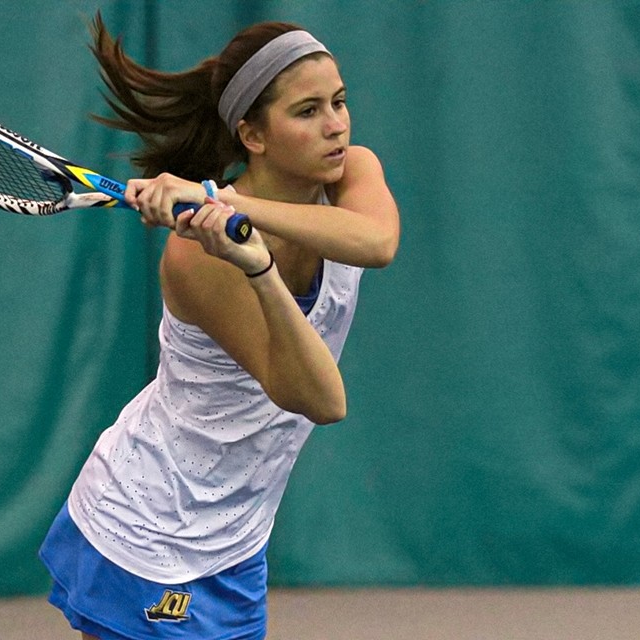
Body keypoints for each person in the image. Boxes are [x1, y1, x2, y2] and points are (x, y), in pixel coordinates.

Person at [39, 12, 400, 640]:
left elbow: (377, 242)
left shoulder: (351, 176)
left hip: (233, 541)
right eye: (308, 111)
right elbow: (316, 396)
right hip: (148, 531)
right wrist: (254, 263)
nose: (336, 125)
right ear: (252, 136)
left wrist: (230, 204)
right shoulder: (198, 259)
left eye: (339, 102)